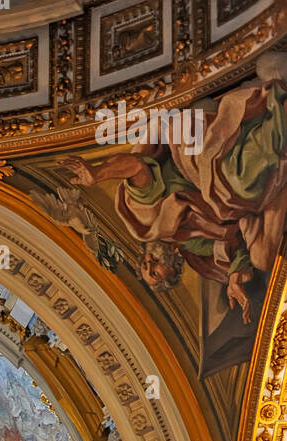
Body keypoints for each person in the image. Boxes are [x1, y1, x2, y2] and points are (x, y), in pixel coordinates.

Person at [61, 64, 287, 323]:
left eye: (144, 264)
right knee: (262, 259)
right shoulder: (194, 251)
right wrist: (234, 279)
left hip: (197, 153)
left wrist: (98, 174)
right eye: (154, 271)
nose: (148, 262)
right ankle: (280, 178)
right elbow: (236, 247)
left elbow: (136, 166)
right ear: (172, 271)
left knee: (238, 183)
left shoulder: (147, 220)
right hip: (231, 200)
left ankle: (279, 104)